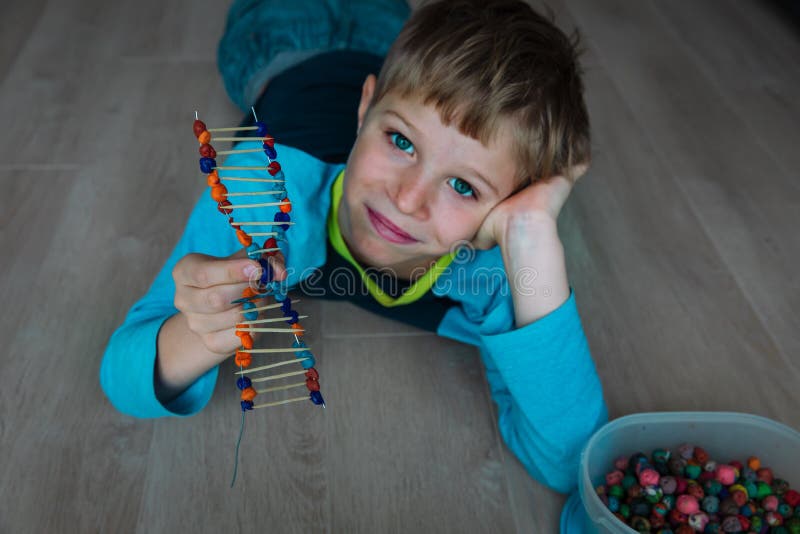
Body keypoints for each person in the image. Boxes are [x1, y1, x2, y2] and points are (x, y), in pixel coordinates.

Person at [100, 0, 608, 496]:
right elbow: (122, 376)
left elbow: (572, 463)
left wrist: (533, 233)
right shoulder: (263, 191)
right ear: (365, 109)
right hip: (286, 38)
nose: (407, 200)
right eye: (401, 141)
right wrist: (199, 335)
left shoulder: (491, 270)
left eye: (463, 186)